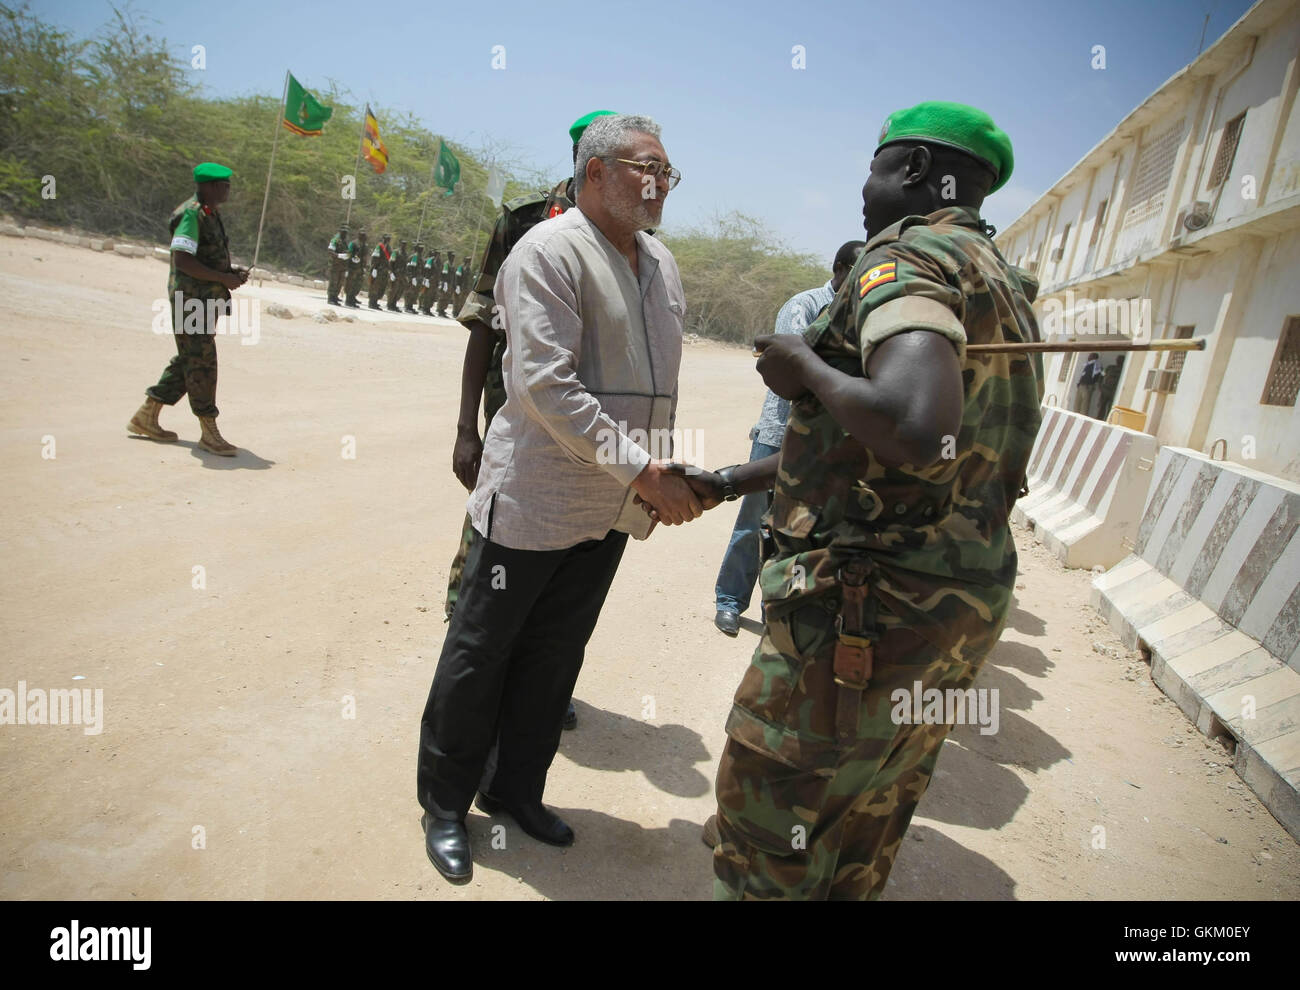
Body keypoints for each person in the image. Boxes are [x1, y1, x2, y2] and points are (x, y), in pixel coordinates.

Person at [646, 101, 1042, 899]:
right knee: (859, 826)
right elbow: (872, 453)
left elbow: (913, 427)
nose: (864, 188)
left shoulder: (910, 258)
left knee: (768, 834)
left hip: (863, 613)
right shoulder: (1000, 280)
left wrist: (805, 367)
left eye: (876, 166)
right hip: (950, 610)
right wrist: (729, 480)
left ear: (918, 173)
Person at [416, 113, 696, 884]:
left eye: (668, 172)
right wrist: (645, 472)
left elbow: (656, 388)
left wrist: (654, 474)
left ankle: (515, 792)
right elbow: (544, 385)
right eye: (645, 168)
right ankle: (444, 806)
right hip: (535, 501)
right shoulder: (547, 250)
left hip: (606, 510)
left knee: (554, 658)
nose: (658, 184)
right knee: (480, 655)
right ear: (595, 173)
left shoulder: (661, 265)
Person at [444, 110, 616, 737]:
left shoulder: (633, 239)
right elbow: (481, 327)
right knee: (495, 540)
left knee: (571, 552)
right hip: (515, 420)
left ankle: (545, 678)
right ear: (588, 161)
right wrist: (467, 427)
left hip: (589, 427)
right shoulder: (522, 223)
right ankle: (469, 665)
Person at [712, 239, 865, 637]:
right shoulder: (806, 305)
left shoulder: (862, 315)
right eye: (858, 273)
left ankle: (775, 609)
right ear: (839, 270)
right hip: (780, 434)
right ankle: (729, 602)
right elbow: (789, 372)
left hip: (827, 441)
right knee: (752, 523)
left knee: (796, 532)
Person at [127, 161, 247, 456]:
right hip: (191, 300)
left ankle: (147, 415)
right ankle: (209, 431)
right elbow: (183, 260)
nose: (227, 190)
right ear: (207, 186)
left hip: (204, 299)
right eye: (223, 185)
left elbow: (205, 256)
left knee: (190, 358)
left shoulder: (209, 213)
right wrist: (223, 278)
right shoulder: (192, 215)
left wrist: (230, 273)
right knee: (204, 362)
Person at [344, 230, 368, 307]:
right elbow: (348, 253)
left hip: (360, 268)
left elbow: (365, 257)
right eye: (362, 235)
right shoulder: (353, 243)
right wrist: (348, 264)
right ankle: (348, 300)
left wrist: (364, 267)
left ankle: (353, 298)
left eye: (364, 235)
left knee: (358, 285)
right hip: (352, 267)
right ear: (359, 235)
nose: (364, 237)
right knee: (350, 284)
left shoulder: (365, 245)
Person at [368, 234, 392, 309]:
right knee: (375, 286)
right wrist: (374, 269)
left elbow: (390, 260)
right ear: (383, 238)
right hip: (378, 269)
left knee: (382, 287)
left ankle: (376, 301)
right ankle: (372, 302)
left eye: (389, 239)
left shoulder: (389, 248)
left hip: (385, 271)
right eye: (386, 238)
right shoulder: (380, 246)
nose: (388, 240)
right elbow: (375, 258)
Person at [326, 225, 349, 305]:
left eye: (346, 232)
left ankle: (335, 296)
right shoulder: (335, 239)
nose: (345, 233)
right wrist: (338, 255)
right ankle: (330, 298)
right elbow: (330, 251)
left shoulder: (345, 241)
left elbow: (347, 251)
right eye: (343, 232)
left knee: (340, 282)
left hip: (342, 266)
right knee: (334, 281)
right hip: (335, 265)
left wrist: (347, 256)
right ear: (340, 231)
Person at [1075, 352, 1103, 417]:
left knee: (1084, 406)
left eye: (1090, 356)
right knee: (1077, 404)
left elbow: (1101, 374)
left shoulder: (1097, 364)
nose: (1088, 357)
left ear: (1093, 357)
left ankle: (1081, 419)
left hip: (1087, 386)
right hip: (1081, 385)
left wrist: (1093, 384)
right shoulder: (1088, 364)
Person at [386, 239, 408, 312]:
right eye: (403, 244)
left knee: (399, 290)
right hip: (395, 274)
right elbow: (391, 262)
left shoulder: (405, 254)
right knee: (392, 290)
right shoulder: (395, 252)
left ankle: (394, 304)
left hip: (402, 275)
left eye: (405, 244)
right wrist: (391, 272)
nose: (404, 245)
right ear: (400, 244)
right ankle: (389, 304)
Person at [402, 243, 424, 313]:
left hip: (418, 278)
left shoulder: (419, 257)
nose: (422, 250)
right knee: (410, 292)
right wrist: (412, 277)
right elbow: (410, 268)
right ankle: (407, 306)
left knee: (415, 293)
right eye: (420, 248)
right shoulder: (415, 257)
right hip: (413, 278)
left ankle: (410, 306)